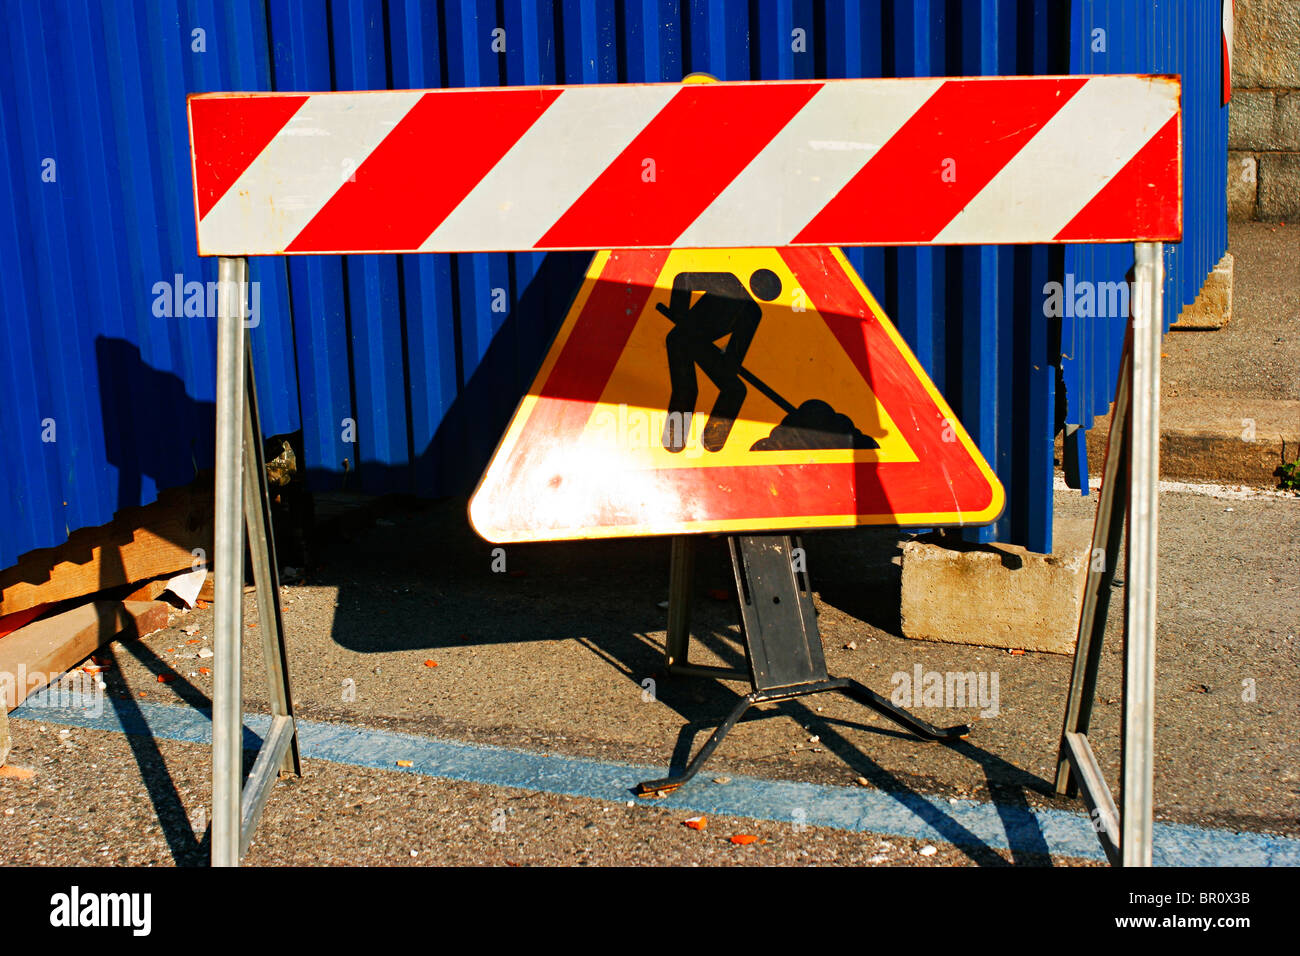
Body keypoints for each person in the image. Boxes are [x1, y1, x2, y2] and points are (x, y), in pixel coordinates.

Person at [658, 268, 781, 452]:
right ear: (756, 278)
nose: (763, 288)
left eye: (768, 288)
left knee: (736, 390)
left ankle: (713, 440)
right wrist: (679, 312)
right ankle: (674, 439)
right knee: (687, 389)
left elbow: (735, 355)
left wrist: (729, 365)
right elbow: (684, 278)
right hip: (681, 338)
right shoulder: (728, 282)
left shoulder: (753, 312)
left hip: (702, 345)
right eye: (764, 283)